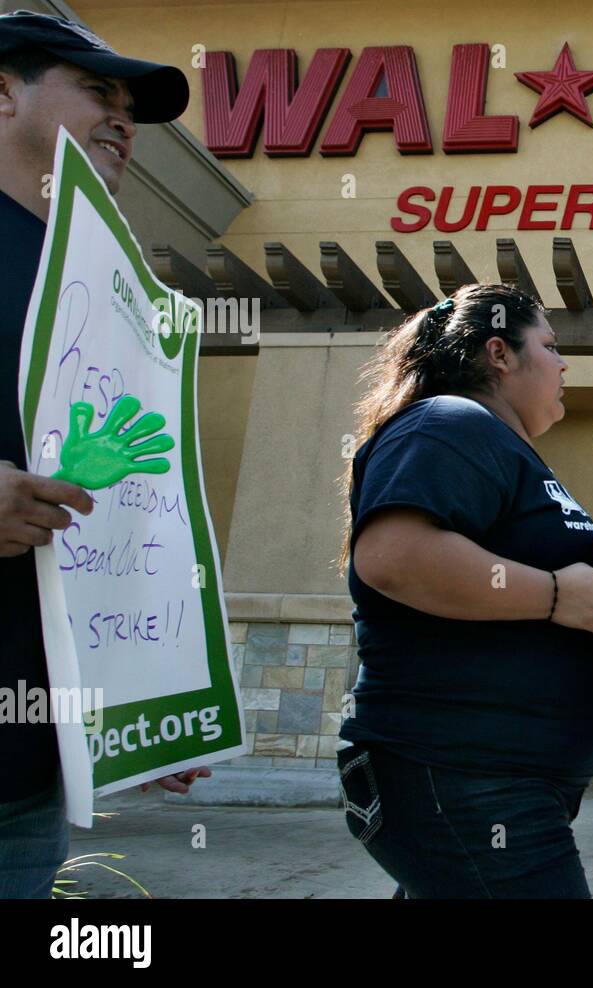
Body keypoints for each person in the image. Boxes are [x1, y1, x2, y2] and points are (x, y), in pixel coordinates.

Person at [0, 10, 208, 900]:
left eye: (132, 105)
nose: (124, 119)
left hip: (26, 780)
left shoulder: (105, 286)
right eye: (97, 91)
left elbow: (114, 528)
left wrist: (144, 710)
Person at [338, 283, 593, 898]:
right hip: (463, 775)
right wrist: (555, 594)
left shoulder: (495, 443)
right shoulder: (449, 421)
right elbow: (393, 556)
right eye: (549, 345)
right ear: (500, 353)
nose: (564, 362)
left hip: (486, 783)